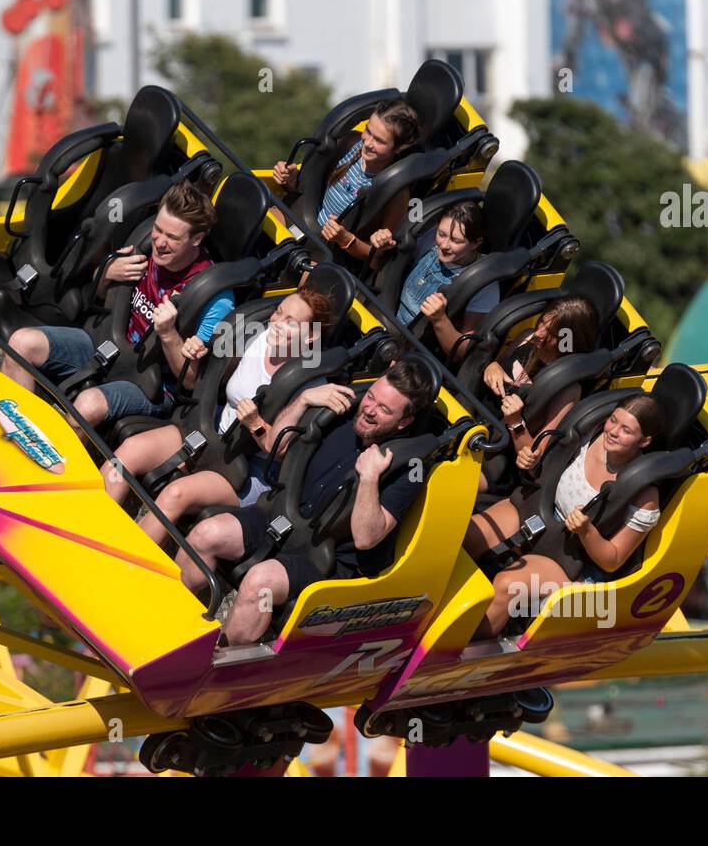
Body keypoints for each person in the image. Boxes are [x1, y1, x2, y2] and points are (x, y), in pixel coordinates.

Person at [180, 358, 437, 645]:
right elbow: (274, 447)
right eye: (372, 397)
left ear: (404, 422)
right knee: (206, 534)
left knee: (259, 584)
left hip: (323, 558)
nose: (370, 410)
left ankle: (217, 668)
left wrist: (369, 479)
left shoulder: (411, 466)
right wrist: (303, 401)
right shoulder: (340, 411)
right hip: (281, 517)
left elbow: (366, 538)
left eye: (384, 409)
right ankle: (175, 626)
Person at [100, 287, 333, 544]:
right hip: (213, 434)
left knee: (174, 494)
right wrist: (198, 352)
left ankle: (126, 562)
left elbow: (277, 452)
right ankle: (91, 528)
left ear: (311, 336)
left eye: (291, 323)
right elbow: (208, 375)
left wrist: (256, 424)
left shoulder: (309, 384)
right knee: (125, 455)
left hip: (247, 468)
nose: (277, 323)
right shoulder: (260, 336)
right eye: (279, 312)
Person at [1, 182, 234, 428]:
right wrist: (105, 275)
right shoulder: (145, 247)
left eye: (172, 237)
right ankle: (14, 430)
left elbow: (189, 381)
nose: (160, 242)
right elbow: (99, 299)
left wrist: (168, 334)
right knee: (21, 343)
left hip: (152, 383)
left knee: (87, 405)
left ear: (197, 239)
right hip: (106, 345)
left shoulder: (215, 298)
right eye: (158, 229)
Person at [463, 395, 665, 639]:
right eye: (613, 420)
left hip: (571, 554)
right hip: (538, 510)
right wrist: (525, 451)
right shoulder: (587, 432)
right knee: (466, 537)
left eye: (626, 431)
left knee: (507, 585)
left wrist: (586, 531)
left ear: (644, 441)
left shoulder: (644, 494)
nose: (613, 432)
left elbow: (613, 560)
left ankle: (458, 648)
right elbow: (538, 463)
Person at [272, 100, 420, 263]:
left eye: (379, 141)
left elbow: (377, 260)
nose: (368, 143)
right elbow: (311, 185)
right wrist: (291, 179)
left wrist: (345, 239)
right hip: (305, 221)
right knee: (257, 217)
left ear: (399, 148)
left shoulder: (395, 191)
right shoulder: (350, 145)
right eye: (368, 131)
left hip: (330, 252)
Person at [479, 296, 599, 491]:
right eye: (542, 322)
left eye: (551, 333)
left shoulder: (568, 388)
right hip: (475, 422)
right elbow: (497, 365)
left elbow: (533, 457)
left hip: (499, 456)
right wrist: (493, 366)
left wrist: (516, 421)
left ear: (570, 340)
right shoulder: (526, 337)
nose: (539, 333)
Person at [394, 202, 500, 358]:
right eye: (441, 234)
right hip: (387, 324)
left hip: (417, 352)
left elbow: (462, 352)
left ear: (476, 243)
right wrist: (382, 248)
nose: (444, 245)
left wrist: (440, 319)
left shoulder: (483, 283)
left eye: (456, 241)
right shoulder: (429, 241)